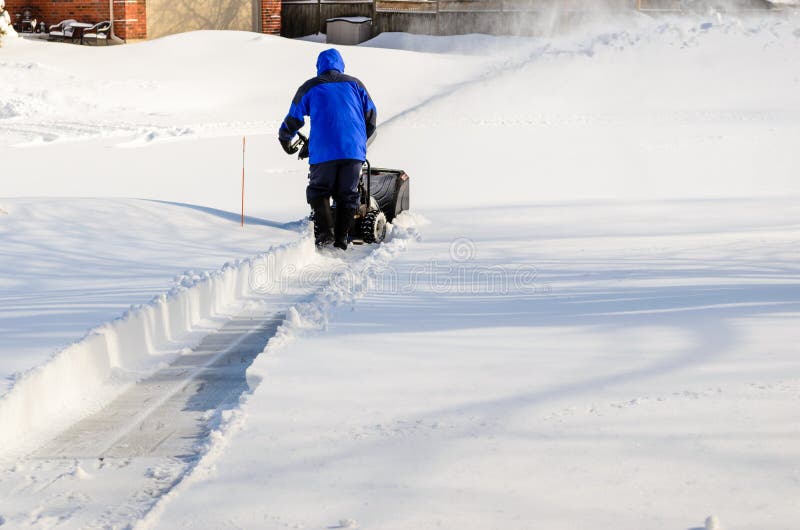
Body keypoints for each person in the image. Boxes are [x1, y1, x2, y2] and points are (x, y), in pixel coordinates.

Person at [279, 48, 377, 250]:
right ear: (341, 65)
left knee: (319, 191)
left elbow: (294, 117)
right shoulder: (355, 84)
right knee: (347, 195)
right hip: (353, 151)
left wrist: (285, 138)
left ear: (319, 67)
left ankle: (325, 238)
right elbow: (371, 116)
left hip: (323, 151)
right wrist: (358, 141)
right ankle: (341, 240)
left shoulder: (311, 86)